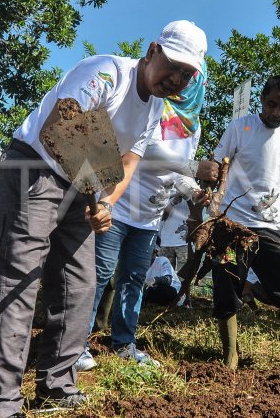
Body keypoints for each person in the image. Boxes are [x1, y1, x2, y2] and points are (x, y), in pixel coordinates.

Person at [0, 20, 204, 418]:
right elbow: (62, 125)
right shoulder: (107, 72)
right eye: (172, 66)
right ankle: (3, 399)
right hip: (36, 169)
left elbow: (129, 161)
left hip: (82, 186)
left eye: (186, 74)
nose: (176, 79)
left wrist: (106, 203)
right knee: (22, 280)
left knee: (79, 285)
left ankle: (56, 385)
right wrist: (93, 187)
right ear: (152, 51)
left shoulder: (155, 107)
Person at [77, 56, 212, 370]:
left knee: (134, 280)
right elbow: (147, 152)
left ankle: (124, 343)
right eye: (181, 74)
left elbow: (178, 174)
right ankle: (77, 345)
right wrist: (194, 167)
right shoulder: (156, 106)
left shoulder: (193, 126)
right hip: (118, 205)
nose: (183, 83)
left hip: (150, 217)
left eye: (191, 77)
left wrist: (194, 191)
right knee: (98, 275)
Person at [210, 75, 280, 370]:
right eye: (271, 104)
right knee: (226, 290)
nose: (276, 112)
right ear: (261, 100)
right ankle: (230, 358)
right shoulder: (239, 128)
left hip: (270, 227)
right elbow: (218, 165)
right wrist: (212, 194)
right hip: (231, 226)